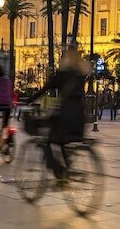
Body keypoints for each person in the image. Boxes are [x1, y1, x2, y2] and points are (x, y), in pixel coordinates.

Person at [29, 48, 89, 182]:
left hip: (65, 116)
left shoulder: (62, 74)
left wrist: (28, 100)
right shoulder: (80, 75)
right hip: (79, 117)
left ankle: (60, 172)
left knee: (47, 142)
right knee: (61, 141)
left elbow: (45, 89)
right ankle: (66, 169)